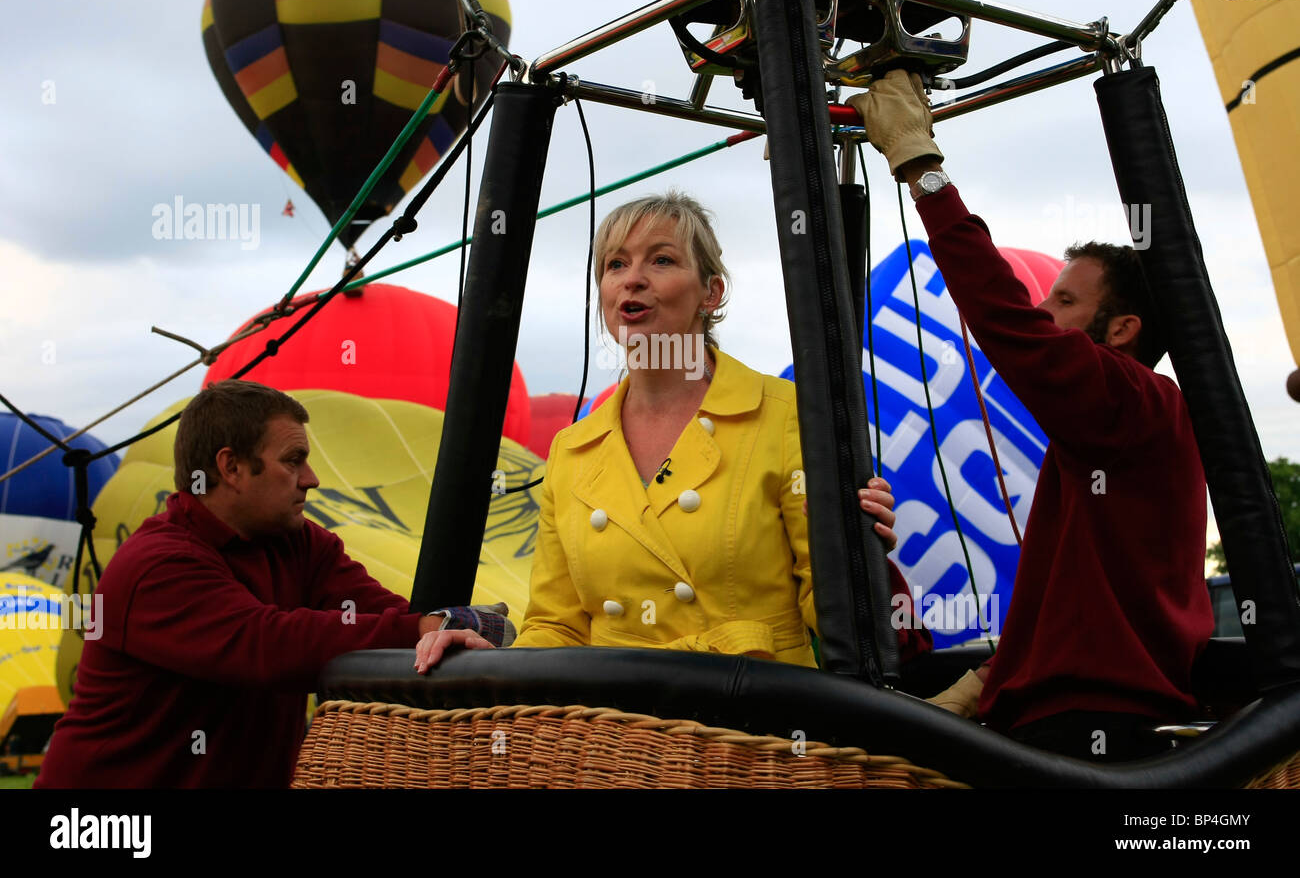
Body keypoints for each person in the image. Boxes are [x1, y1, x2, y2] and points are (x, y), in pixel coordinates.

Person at [850, 71, 1214, 762]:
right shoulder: (1118, 433)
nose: (1045, 310)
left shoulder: (1132, 401)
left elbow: (1003, 316)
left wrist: (920, 167)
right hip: (1073, 710)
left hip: (1094, 730)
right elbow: (1085, 604)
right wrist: (988, 679)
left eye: (1066, 302)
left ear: (1122, 328)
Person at [416, 191, 930, 672]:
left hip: (757, 730)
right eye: (615, 265)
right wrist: (492, 661)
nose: (631, 279)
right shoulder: (572, 449)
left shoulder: (788, 416)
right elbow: (559, 626)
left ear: (712, 292)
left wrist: (858, 558)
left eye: (660, 260)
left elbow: (839, 618)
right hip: (616, 736)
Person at [35, 380, 499, 788]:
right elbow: (265, 646)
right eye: (294, 461)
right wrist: (421, 630)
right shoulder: (156, 565)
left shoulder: (299, 545)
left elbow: (388, 615)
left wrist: (438, 627)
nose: (312, 480)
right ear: (231, 467)